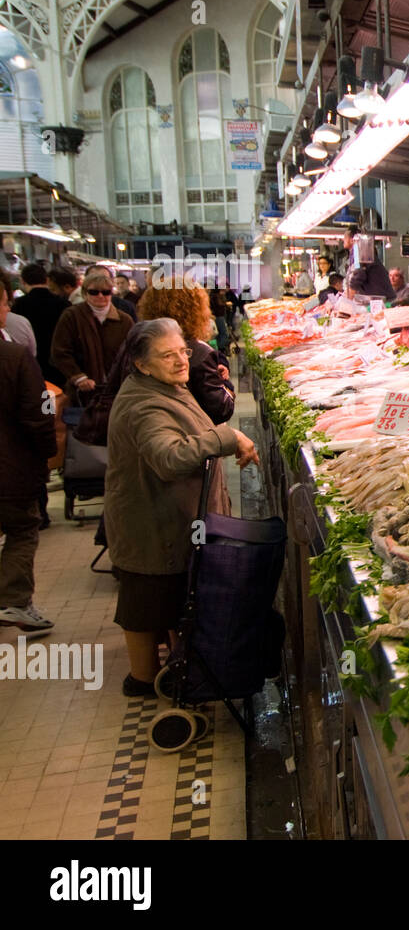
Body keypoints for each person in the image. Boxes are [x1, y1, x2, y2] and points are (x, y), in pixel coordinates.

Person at [105, 318, 259, 696]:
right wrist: (229, 436)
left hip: (170, 519)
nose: (180, 361)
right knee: (150, 598)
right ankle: (144, 680)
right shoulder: (145, 405)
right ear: (141, 364)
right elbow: (169, 457)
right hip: (154, 523)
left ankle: (180, 663)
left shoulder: (163, 386)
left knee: (174, 597)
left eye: (182, 351)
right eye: (166, 355)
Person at [0, 334, 56, 636]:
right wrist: (48, 449)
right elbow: (42, 408)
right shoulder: (15, 356)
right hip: (11, 468)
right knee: (21, 530)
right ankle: (14, 600)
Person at [137, 278, 235, 424]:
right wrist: (225, 385)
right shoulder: (198, 351)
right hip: (196, 435)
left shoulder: (141, 346)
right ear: (195, 309)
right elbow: (221, 409)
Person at [50, 264, 134, 399]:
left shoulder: (125, 320)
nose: (100, 296)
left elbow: (132, 353)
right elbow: (60, 352)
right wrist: (78, 377)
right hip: (81, 393)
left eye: (106, 292)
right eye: (94, 292)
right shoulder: (71, 316)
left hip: (117, 391)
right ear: (85, 292)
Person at [11, 261, 68, 385]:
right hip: (60, 365)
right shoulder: (64, 304)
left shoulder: (18, 305)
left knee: (41, 400)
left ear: (23, 281)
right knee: (57, 399)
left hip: (33, 366)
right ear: (47, 280)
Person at [344, 225, 394, 301]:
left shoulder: (358, 251)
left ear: (352, 239)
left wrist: (349, 297)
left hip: (381, 299)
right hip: (378, 298)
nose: (343, 240)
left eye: (345, 238)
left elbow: (359, 274)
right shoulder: (356, 252)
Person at [0, 276, 37, 357]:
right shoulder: (20, 322)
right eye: (5, 304)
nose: (8, 309)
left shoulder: (4, 334)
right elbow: (32, 354)